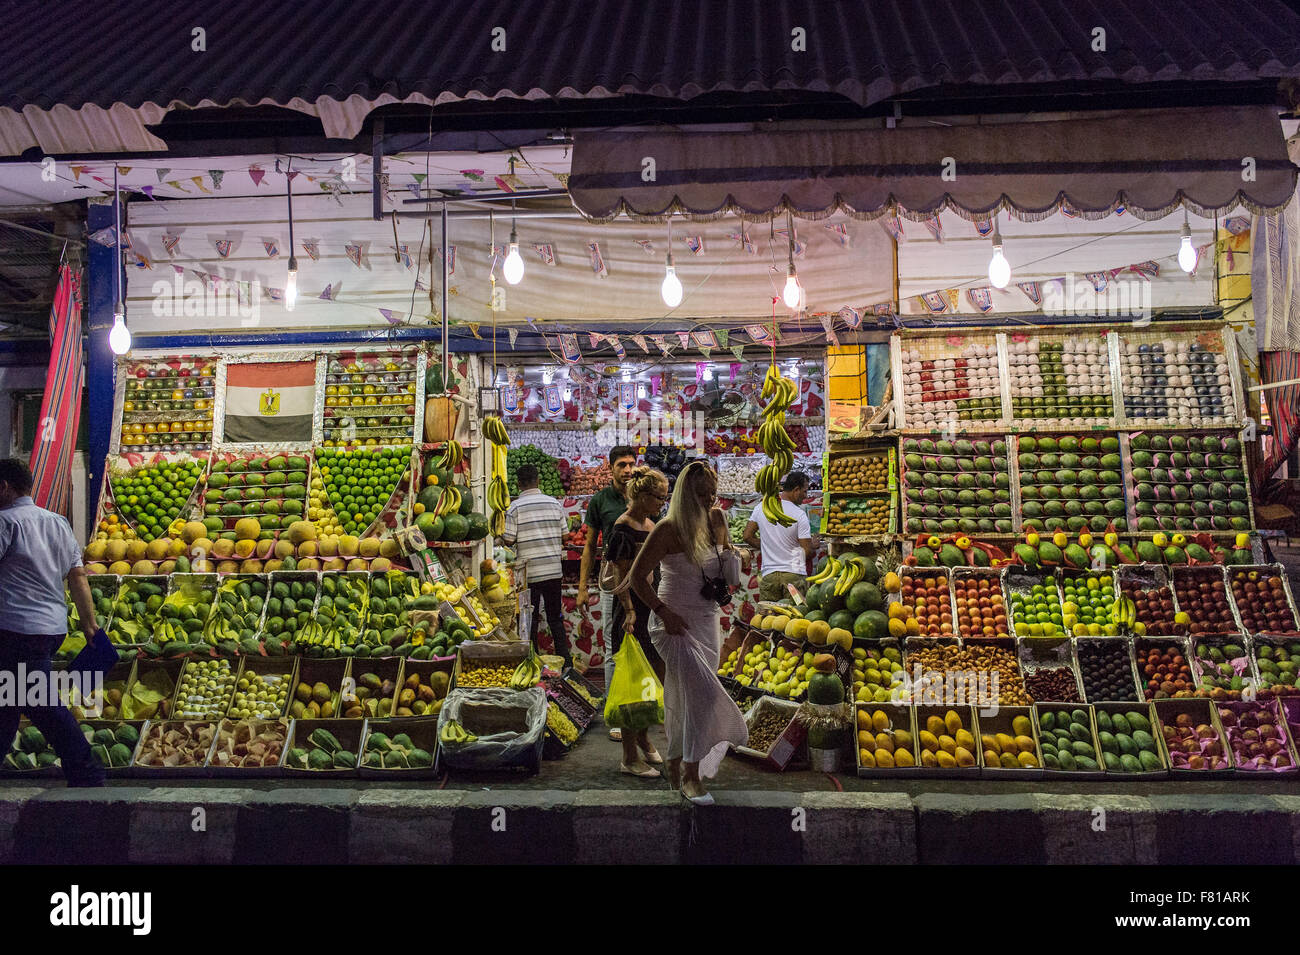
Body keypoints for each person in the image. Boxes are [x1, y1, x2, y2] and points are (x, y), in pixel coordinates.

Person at [620, 461, 748, 805]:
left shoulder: (717, 519)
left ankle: (676, 760)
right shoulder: (667, 529)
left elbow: (724, 566)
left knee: (684, 696)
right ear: (686, 495)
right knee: (704, 695)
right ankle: (692, 774)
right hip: (671, 623)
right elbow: (636, 578)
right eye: (702, 495)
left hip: (707, 620)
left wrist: (735, 556)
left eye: (713, 493)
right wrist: (664, 613)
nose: (709, 500)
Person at [0, 459, 104, 787]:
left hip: (16, 629)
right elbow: (78, 576)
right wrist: (89, 625)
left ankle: (87, 770)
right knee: (8, 699)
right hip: (51, 628)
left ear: (4, 487)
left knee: (37, 700)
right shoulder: (58, 523)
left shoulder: (5, 523)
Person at [604, 466, 668, 777]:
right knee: (633, 684)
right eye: (658, 497)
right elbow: (621, 574)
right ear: (641, 496)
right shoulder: (623, 528)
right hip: (631, 614)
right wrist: (629, 610)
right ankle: (628, 756)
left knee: (652, 680)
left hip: (650, 611)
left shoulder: (650, 524)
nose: (661, 503)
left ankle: (643, 736)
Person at [575, 445, 636, 718]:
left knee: (643, 643)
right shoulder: (601, 500)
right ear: (610, 467)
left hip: (643, 580)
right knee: (613, 644)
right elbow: (589, 546)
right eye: (622, 464)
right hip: (612, 581)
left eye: (631, 464)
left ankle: (639, 706)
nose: (628, 470)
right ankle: (614, 710)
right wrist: (582, 587)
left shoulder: (642, 495)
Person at [502, 463, 571, 669]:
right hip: (553, 572)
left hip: (529, 575)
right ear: (538, 481)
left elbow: (508, 539)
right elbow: (566, 535)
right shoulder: (554, 503)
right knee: (555, 618)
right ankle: (566, 664)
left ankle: (532, 664)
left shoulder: (514, 508)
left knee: (529, 621)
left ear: (518, 484)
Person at [743, 470, 813, 601]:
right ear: (796, 490)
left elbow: (747, 536)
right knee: (795, 616)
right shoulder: (799, 514)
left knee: (768, 618)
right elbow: (807, 552)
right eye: (804, 491)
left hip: (769, 577)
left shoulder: (761, 508)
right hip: (794, 578)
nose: (805, 496)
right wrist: (812, 545)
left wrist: (767, 545)